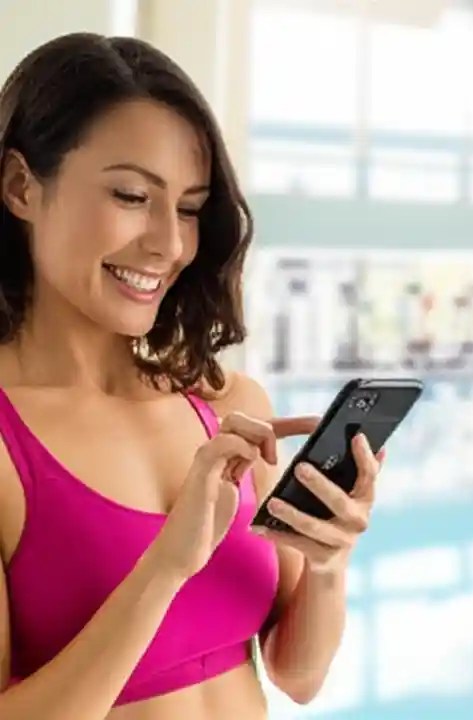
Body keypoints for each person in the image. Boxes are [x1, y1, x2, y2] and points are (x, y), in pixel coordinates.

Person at [0, 34, 386, 718]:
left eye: (188, 207)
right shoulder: (8, 448)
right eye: (131, 195)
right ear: (20, 186)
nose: (170, 244)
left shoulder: (227, 407)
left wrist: (329, 562)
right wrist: (165, 567)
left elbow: (297, 675)